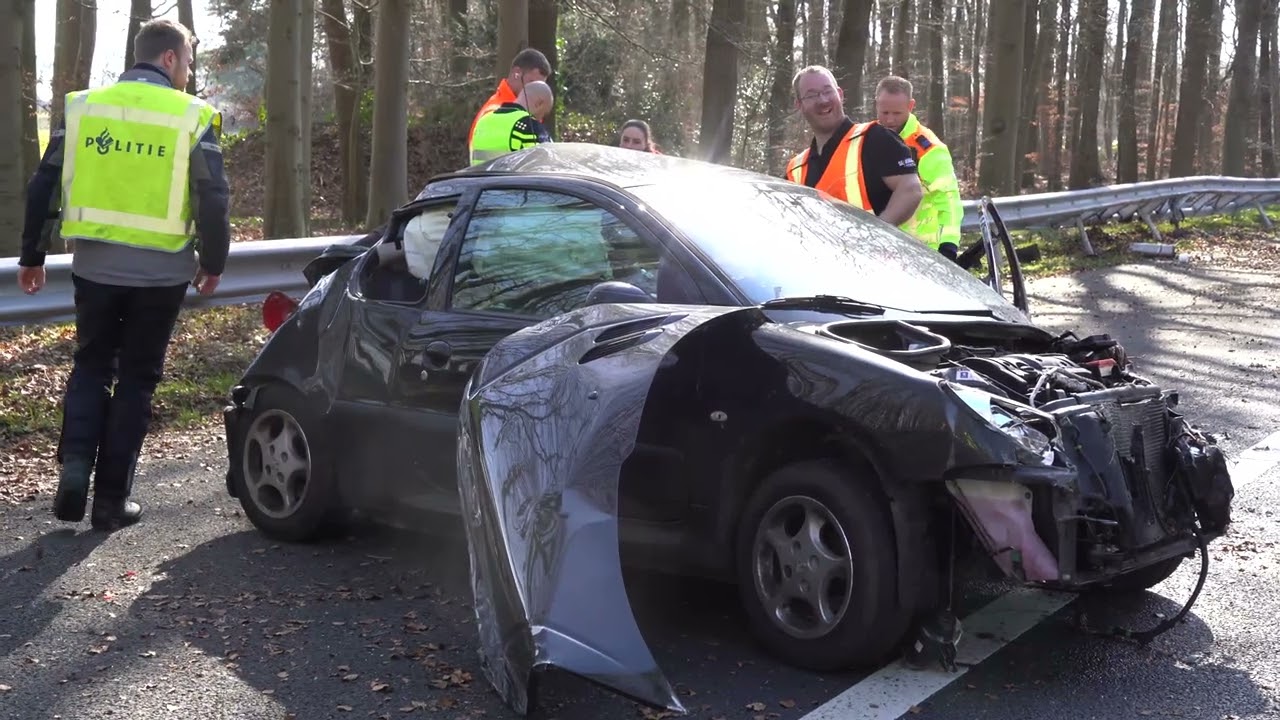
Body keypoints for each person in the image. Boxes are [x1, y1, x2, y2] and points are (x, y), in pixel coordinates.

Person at [15, 18, 230, 531]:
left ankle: (73, 471)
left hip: (94, 265)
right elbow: (213, 197)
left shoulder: (83, 106)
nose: (190, 72)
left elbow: (45, 182)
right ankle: (110, 502)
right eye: (190, 62)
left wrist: (32, 254)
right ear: (170, 59)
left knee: (91, 365)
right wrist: (215, 261)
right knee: (136, 381)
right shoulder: (194, 115)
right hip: (161, 275)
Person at [783, 65, 922, 227]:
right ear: (799, 105)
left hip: (872, 251)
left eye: (828, 91)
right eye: (811, 95)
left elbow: (911, 190)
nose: (823, 100)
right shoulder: (795, 170)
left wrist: (875, 235)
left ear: (840, 94)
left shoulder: (875, 138)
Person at [874, 75, 963, 261]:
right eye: (884, 112)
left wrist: (948, 246)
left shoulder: (929, 150)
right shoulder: (868, 140)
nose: (890, 120)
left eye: (897, 113)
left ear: (911, 106)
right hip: (880, 249)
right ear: (876, 105)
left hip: (923, 253)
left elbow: (948, 201)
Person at [468, 48, 553, 146]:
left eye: (540, 85)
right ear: (517, 73)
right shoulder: (493, 112)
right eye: (531, 82)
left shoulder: (528, 111)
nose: (535, 89)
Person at [468, 80, 554, 165]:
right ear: (538, 104)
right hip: (511, 179)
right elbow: (545, 166)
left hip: (480, 178)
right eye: (544, 114)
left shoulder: (483, 121)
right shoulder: (529, 126)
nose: (541, 119)